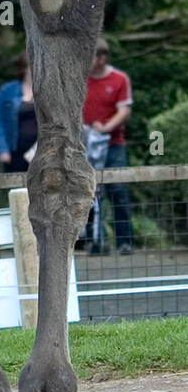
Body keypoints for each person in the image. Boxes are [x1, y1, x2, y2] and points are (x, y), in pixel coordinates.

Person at [82, 38, 134, 255]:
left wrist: (106, 128)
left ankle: (124, 241)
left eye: (100, 56)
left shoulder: (119, 79)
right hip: (85, 145)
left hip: (113, 145)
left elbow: (124, 110)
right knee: (90, 193)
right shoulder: (81, 79)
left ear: (105, 57)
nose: (96, 61)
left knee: (118, 190)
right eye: (94, 56)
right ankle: (96, 241)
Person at [0, 50, 37, 171]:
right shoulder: (7, 90)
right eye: (33, 65)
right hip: (14, 153)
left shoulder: (47, 92)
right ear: (24, 68)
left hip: (40, 153)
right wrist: (2, 150)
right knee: (16, 190)